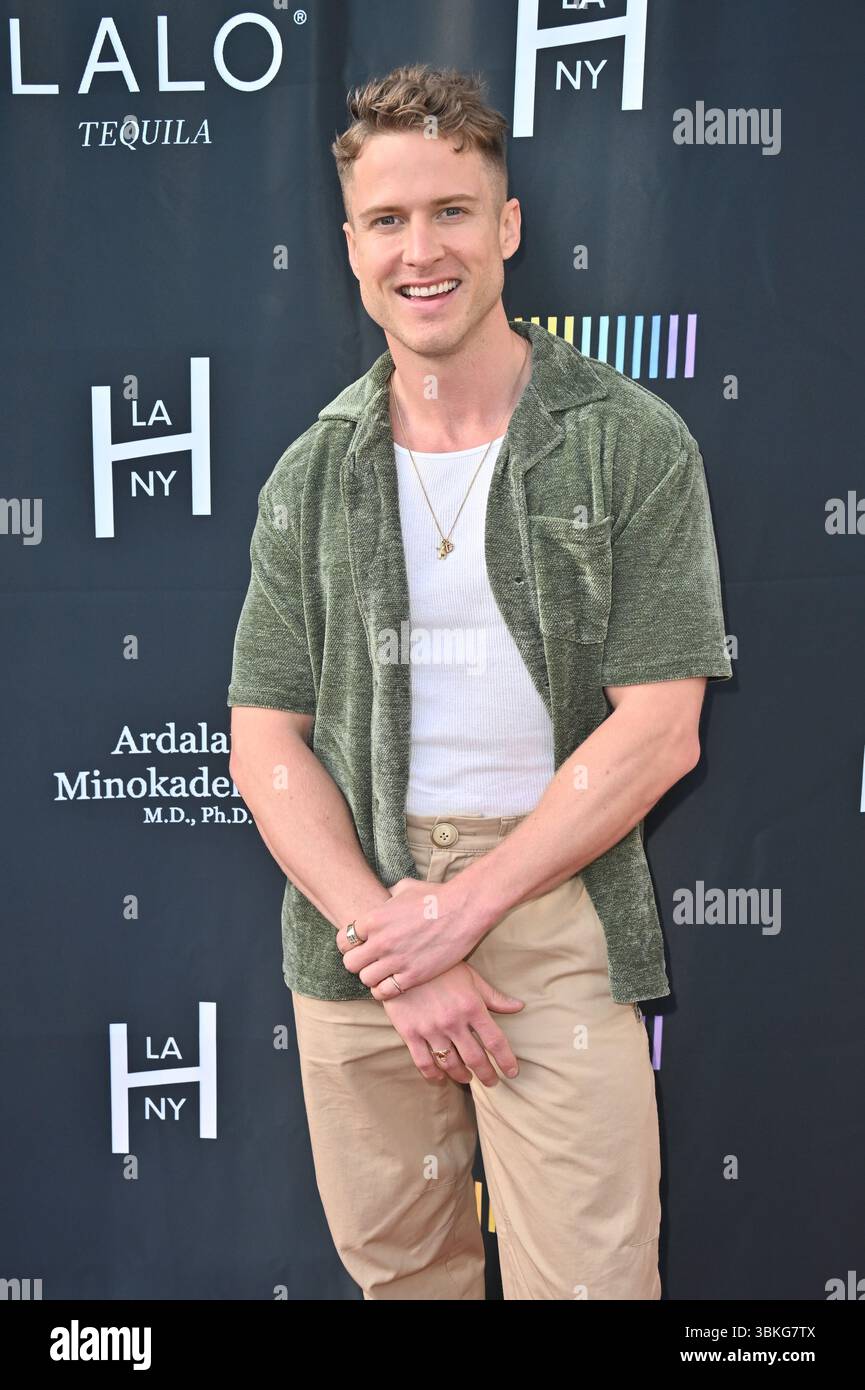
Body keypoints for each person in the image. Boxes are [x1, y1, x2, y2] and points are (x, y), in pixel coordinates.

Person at [226, 63, 733, 1300]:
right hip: (357, 933)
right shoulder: (311, 473)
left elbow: (661, 730)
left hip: (554, 913)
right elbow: (264, 739)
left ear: (505, 228)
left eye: (452, 211)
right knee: (403, 1280)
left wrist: (462, 913)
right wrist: (396, 937)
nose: (422, 250)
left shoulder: (628, 440)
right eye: (389, 221)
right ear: (349, 248)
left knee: (595, 1284)